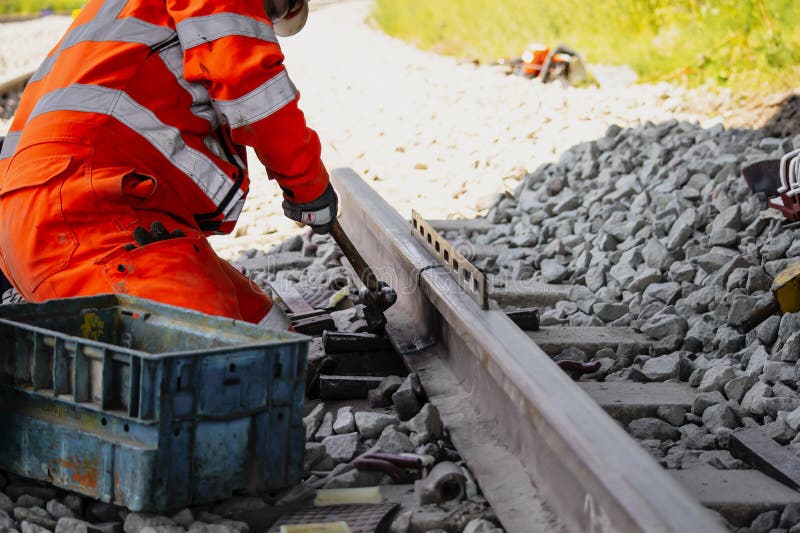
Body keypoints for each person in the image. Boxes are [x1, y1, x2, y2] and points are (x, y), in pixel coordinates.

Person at [0, 0, 337, 329]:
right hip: (79, 213)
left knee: (268, 328)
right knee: (223, 347)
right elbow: (252, 90)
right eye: (276, 7)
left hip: (52, 213)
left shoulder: (121, 15)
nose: (265, 18)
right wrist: (308, 187)